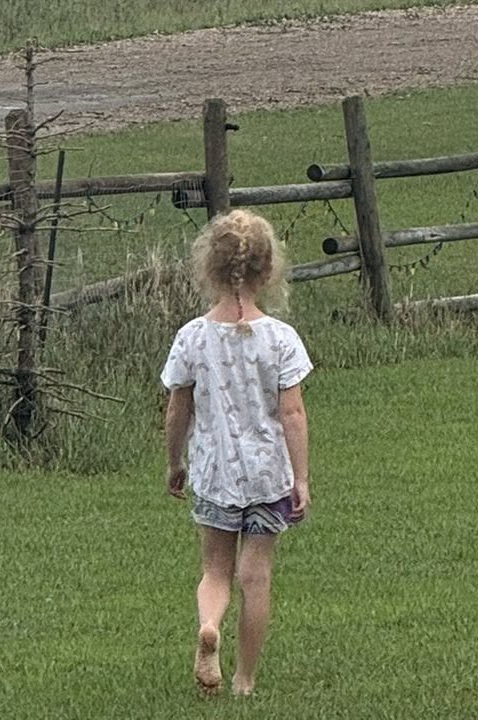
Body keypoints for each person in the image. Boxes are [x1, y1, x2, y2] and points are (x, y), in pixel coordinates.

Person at [161, 208, 312, 699]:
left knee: (215, 571)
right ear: (267, 271)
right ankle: (245, 680)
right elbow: (292, 413)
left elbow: (177, 410)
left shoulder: (192, 337)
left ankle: (210, 625)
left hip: (214, 473)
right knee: (256, 575)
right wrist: (301, 478)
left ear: (210, 268)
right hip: (268, 476)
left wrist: (175, 463)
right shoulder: (281, 339)